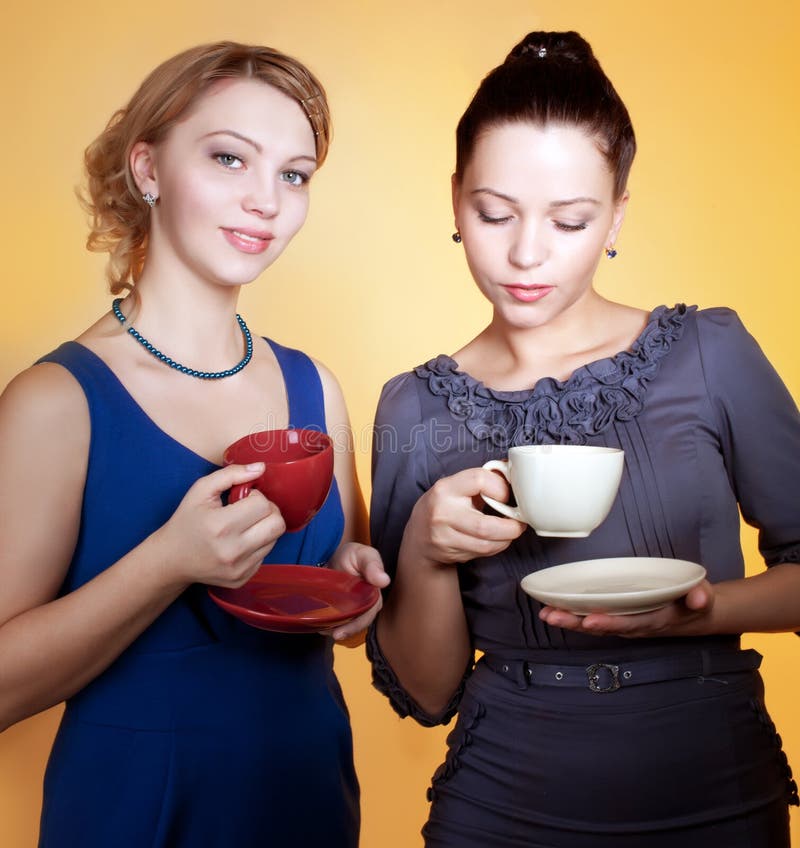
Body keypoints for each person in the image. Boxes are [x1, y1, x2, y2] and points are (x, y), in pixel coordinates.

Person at [367, 30, 800, 847]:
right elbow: (428, 695)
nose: (526, 253)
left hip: (714, 787)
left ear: (616, 217)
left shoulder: (709, 353)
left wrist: (697, 614)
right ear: (455, 198)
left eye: (569, 221)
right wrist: (424, 546)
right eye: (494, 213)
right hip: (501, 801)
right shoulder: (415, 408)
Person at [0, 41, 388, 848]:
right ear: (148, 169)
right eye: (228, 158)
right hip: (137, 810)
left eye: (293, 174)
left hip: (309, 791)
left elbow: (346, 614)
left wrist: (356, 585)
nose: (266, 201)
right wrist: (168, 560)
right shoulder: (56, 401)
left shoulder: (317, 388)